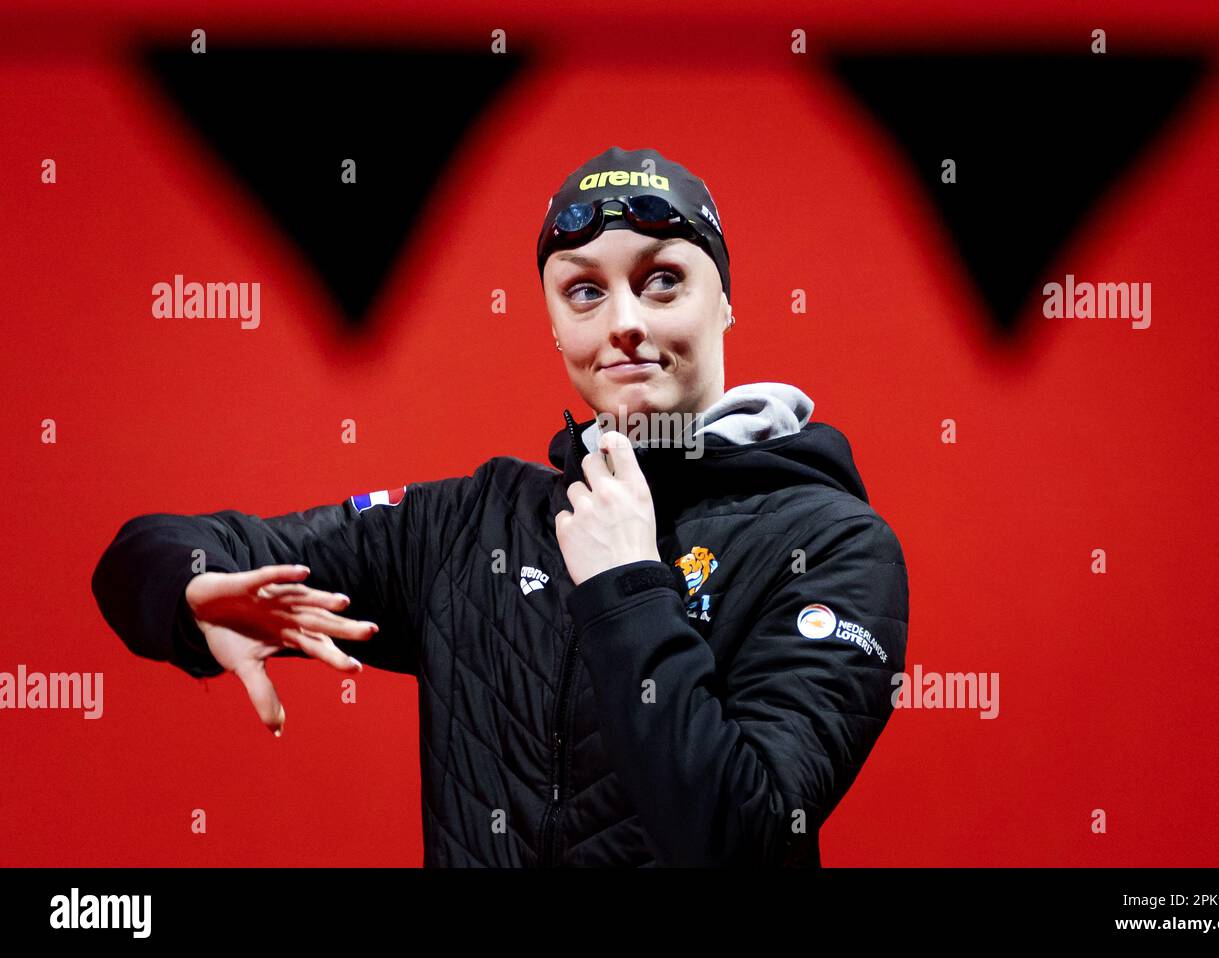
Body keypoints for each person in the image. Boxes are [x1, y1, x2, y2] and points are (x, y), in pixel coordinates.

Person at [91, 145, 910, 868]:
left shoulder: (834, 544)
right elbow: (155, 549)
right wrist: (187, 592)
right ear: (555, 327)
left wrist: (628, 584)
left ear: (725, 301)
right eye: (584, 292)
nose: (624, 322)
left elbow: (743, 838)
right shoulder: (469, 528)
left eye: (663, 280)